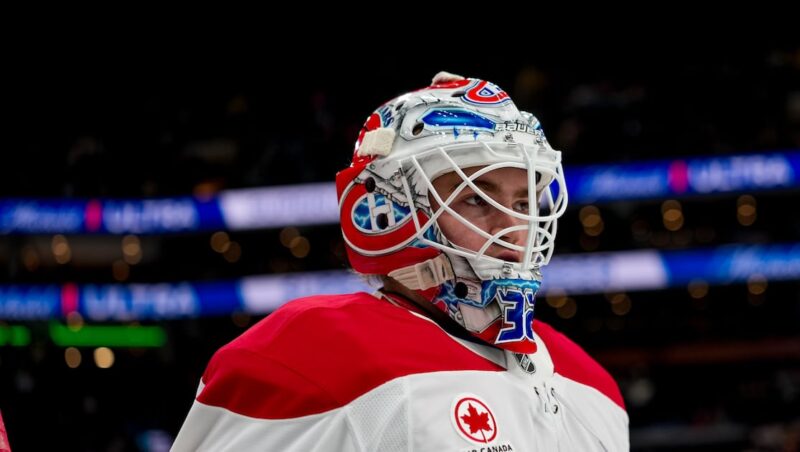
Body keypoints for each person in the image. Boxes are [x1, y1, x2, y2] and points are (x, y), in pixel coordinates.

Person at [172, 72, 629, 451]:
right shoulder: (314, 357)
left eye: (524, 202)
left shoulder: (594, 386)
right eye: (476, 198)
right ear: (390, 210)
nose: (513, 227)